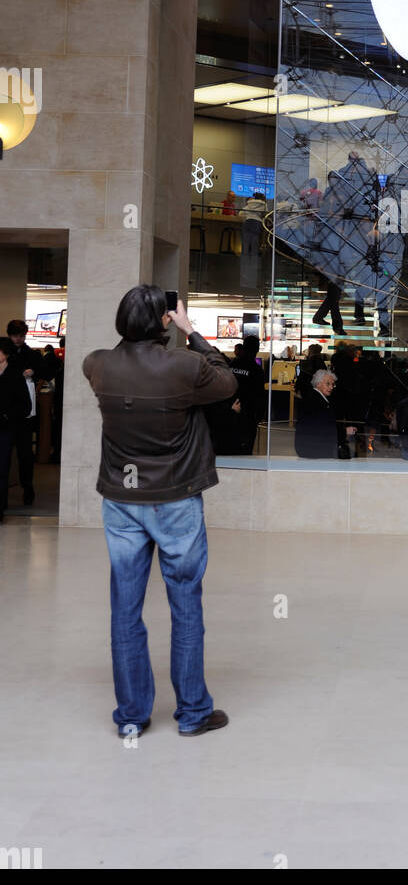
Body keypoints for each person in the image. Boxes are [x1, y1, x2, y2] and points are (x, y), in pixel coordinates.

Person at [82, 287, 237, 738]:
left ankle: (131, 716)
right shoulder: (185, 367)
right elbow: (228, 382)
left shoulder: (96, 364)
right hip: (176, 499)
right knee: (185, 603)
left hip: (122, 500)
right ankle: (192, 714)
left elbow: (119, 359)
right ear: (165, 321)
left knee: (124, 609)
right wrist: (193, 333)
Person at [6, 319, 43, 505]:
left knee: (25, 454)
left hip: (24, 412)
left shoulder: (31, 355)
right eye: (15, 335)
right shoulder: (5, 353)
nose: (18, 339)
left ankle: (27, 487)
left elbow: (45, 369)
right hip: (7, 410)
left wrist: (33, 372)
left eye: (21, 336)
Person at [0, 338, 31, 522]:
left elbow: (25, 406)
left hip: (5, 429)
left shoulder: (14, 375)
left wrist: (7, 416)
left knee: (2, 469)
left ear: (6, 354)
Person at [294, 368, 355, 459]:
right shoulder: (316, 401)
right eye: (328, 384)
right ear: (318, 384)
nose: (331, 387)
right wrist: (345, 431)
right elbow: (322, 428)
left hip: (309, 447)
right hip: (313, 448)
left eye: (332, 385)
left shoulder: (315, 398)